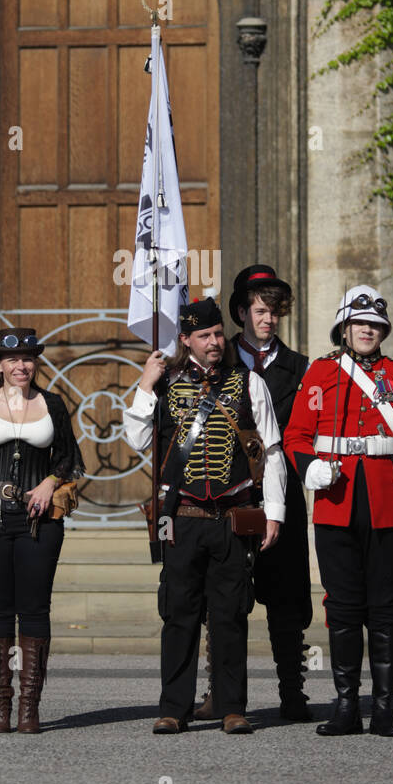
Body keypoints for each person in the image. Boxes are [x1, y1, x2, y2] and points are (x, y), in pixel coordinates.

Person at [123, 297, 287, 734]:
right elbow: (135, 440)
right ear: (185, 340)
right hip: (182, 516)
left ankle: (232, 706)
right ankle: (174, 707)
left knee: (230, 614)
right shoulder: (164, 383)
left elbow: (270, 451)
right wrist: (145, 383)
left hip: (232, 516)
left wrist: (275, 512)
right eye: (204, 336)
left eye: (217, 334)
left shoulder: (248, 383)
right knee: (178, 614)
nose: (214, 342)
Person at [283, 285, 393, 737]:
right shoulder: (319, 373)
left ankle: (385, 709)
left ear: (383, 331)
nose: (367, 330)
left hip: (388, 505)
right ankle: (347, 707)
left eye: (375, 324)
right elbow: (295, 436)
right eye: (359, 323)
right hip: (335, 506)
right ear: (344, 328)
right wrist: (310, 468)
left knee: (387, 607)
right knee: (344, 607)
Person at [194, 265, 313, 721]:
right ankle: (219, 693)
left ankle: (292, 691)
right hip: (227, 497)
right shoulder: (217, 366)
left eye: (275, 312)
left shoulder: (299, 367)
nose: (269, 320)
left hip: (282, 495)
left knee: (286, 598)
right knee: (221, 598)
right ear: (242, 311)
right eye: (261, 311)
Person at [0, 328, 85, 734]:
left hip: (39, 522)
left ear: (35, 363)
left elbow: (70, 459)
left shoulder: (54, 405)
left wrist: (48, 483)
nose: (20, 365)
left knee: (34, 608)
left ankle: (29, 706)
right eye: (12, 359)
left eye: (27, 358)